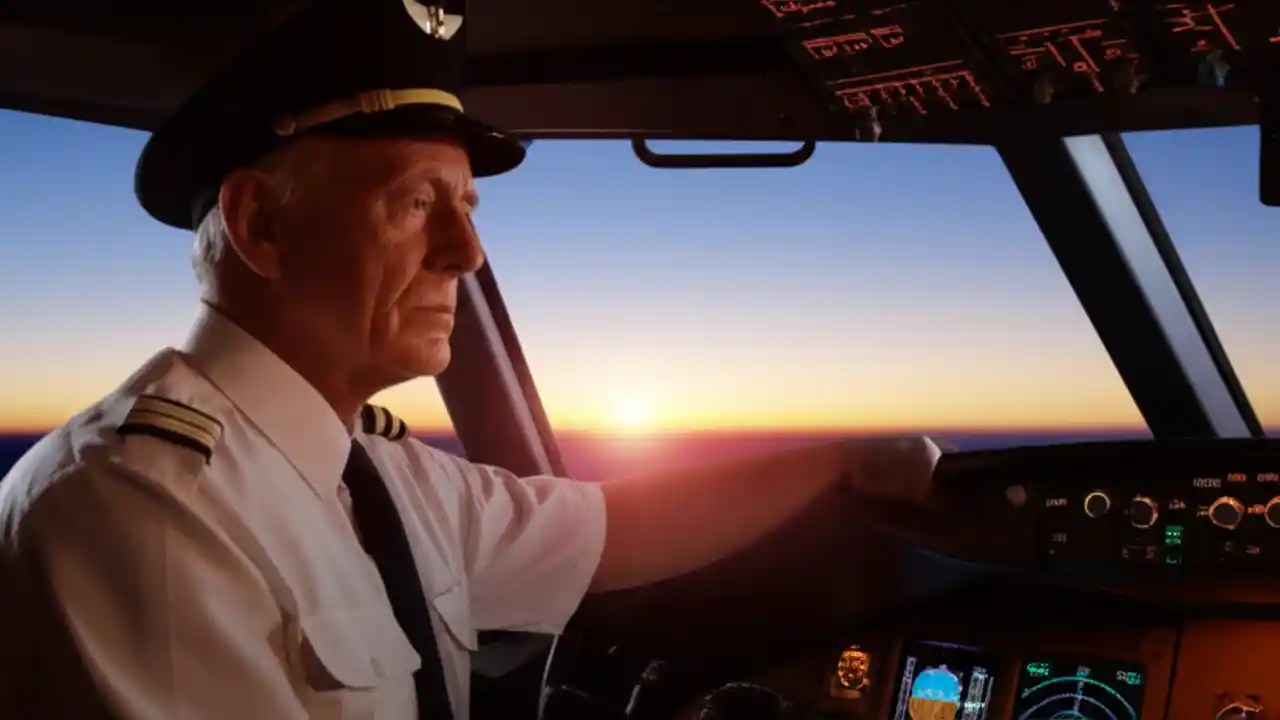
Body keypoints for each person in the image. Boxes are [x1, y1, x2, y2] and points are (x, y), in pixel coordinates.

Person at [0, 1, 947, 718]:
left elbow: (612, 531)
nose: (467, 251)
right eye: (417, 203)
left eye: (467, 207)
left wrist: (842, 460)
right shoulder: (141, 510)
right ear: (261, 223)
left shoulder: (370, 470)